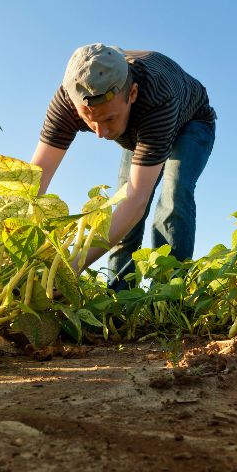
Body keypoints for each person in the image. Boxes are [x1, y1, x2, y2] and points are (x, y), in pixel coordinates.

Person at [30, 43, 216, 290]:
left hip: (191, 122)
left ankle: (170, 293)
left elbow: (136, 200)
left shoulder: (158, 97)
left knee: (174, 192)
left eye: (109, 118)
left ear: (132, 93)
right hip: (137, 129)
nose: (101, 133)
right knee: (122, 207)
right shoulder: (67, 99)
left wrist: (68, 267)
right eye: (89, 120)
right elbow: (35, 178)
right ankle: (118, 296)